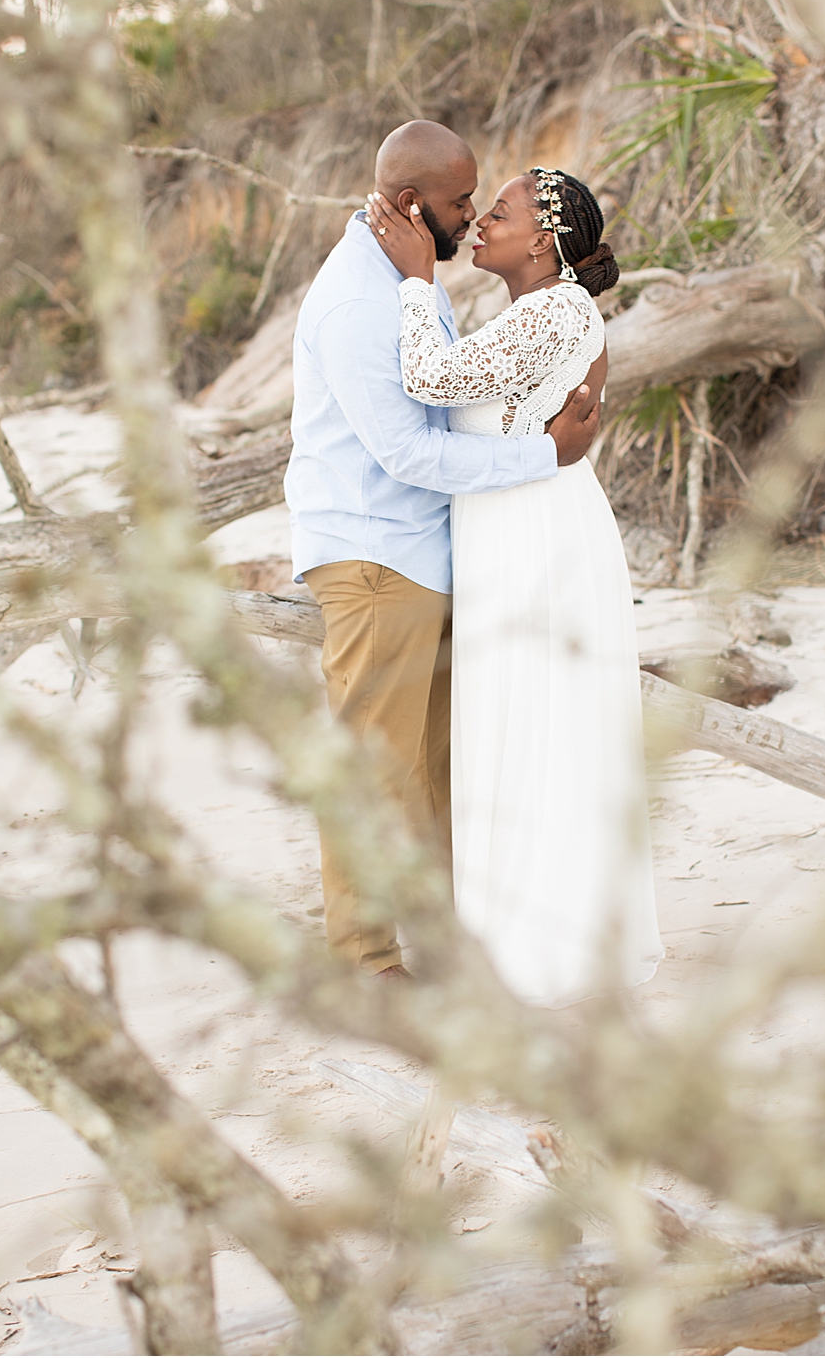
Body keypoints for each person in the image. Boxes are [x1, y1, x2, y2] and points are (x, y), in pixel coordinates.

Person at [284, 122, 600, 980]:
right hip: (375, 555)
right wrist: (549, 456)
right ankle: (366, 965)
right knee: (374, 770)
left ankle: (465, 948)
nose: (471, 215)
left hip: (427, 550)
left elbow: (451, 402)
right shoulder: (360, 297)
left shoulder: (409, 280)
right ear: (414, 204)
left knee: (441, 773)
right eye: (463, 203)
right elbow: (410, 453)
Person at [365, 167, 663, 1006]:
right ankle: (518, 945)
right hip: (508, 529)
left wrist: (418, 280)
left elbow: (435, 381)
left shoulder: (559, 311)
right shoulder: (530, 312)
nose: (482, 222)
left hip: (539, 538)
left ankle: (544, 957)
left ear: (543, 238)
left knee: (538, 730)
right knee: (517, 726)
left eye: (499, 211)